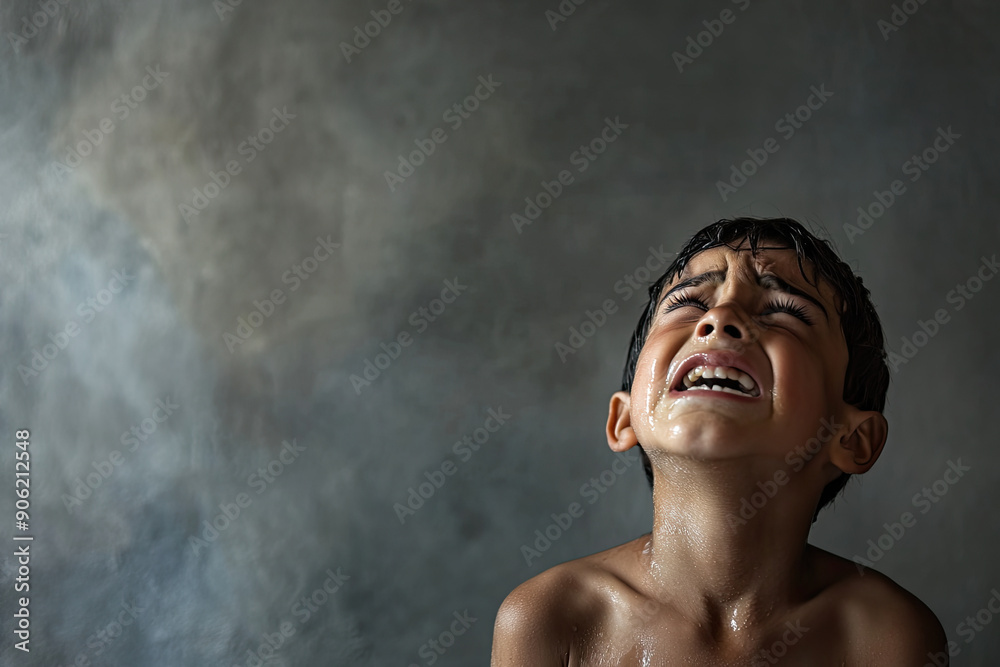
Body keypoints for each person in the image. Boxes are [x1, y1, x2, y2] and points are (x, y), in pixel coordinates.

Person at [491, 217, 947, 665]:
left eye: (785, 311)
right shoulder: (549, 618)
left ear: (852, 439)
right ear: (623, 418)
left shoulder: (883, 637)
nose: (720, 317)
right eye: (688, 303)